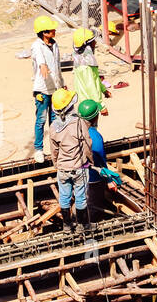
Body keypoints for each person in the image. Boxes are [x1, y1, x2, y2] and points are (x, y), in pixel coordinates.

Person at [46, 88, 92, 233]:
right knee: (81, 197)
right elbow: (87, 144)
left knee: (64, 197)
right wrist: (90, 160)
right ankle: (83, 225)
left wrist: (57, 165)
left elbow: (54, 151)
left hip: (63, 169)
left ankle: (67, 225)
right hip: (79, 168)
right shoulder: (79, 123)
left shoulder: (53, 127)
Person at [30, 15, 63, 164]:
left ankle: (56, 148)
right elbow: (39, 58)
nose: (54, 30)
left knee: (55, 120)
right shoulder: (37, 46)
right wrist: (43, 65)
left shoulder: (55, 45)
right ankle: (38, 149)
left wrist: (61, 84)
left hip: (55, 88)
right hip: (42, 90)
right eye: (51, 29)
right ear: (44, 32)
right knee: (41, 120)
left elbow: (57, 67)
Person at [78, 98, 117, 223]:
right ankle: (91, 231)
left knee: (81, 202)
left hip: (76, 175)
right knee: (94, 208)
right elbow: (100, 161)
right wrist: (109, 179)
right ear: (96, 117)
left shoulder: (74, 129)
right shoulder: (95, 137)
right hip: (93, 179)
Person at [71, 28, 109, 113]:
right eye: (93, 41)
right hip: (90, 105)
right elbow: (91, 87)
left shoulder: (80, 61)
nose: (95, 43)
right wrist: (101, 106)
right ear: (87, 45)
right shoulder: (86, 67)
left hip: (86, 103)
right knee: (91, 126)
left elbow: (95, 79)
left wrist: (104, 90)